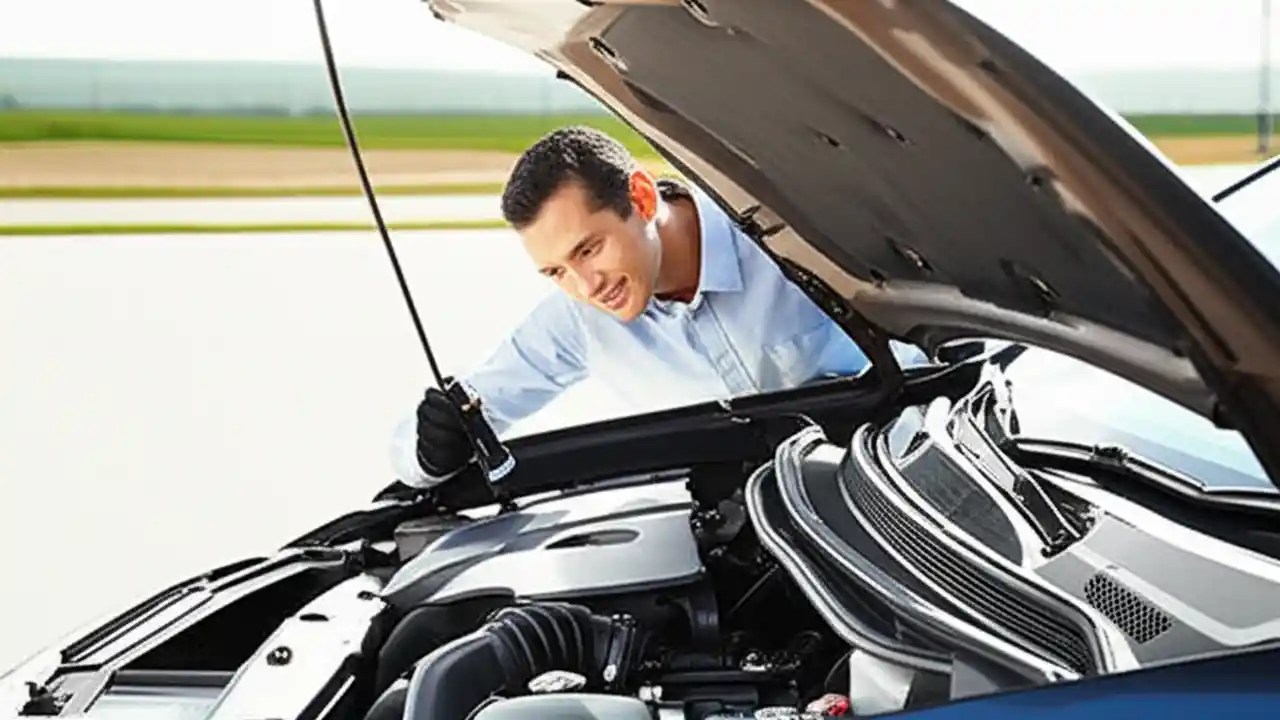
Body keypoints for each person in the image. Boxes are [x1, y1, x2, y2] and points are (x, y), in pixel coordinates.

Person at [391, 126, 921, 487]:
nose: (585, 286)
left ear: (641, 199)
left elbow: (942, 345)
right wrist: (431, 450)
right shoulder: (577, 318)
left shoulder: (791, 239)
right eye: (556, 272)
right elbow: (456, 424)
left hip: (894, 484)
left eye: (588, 249)